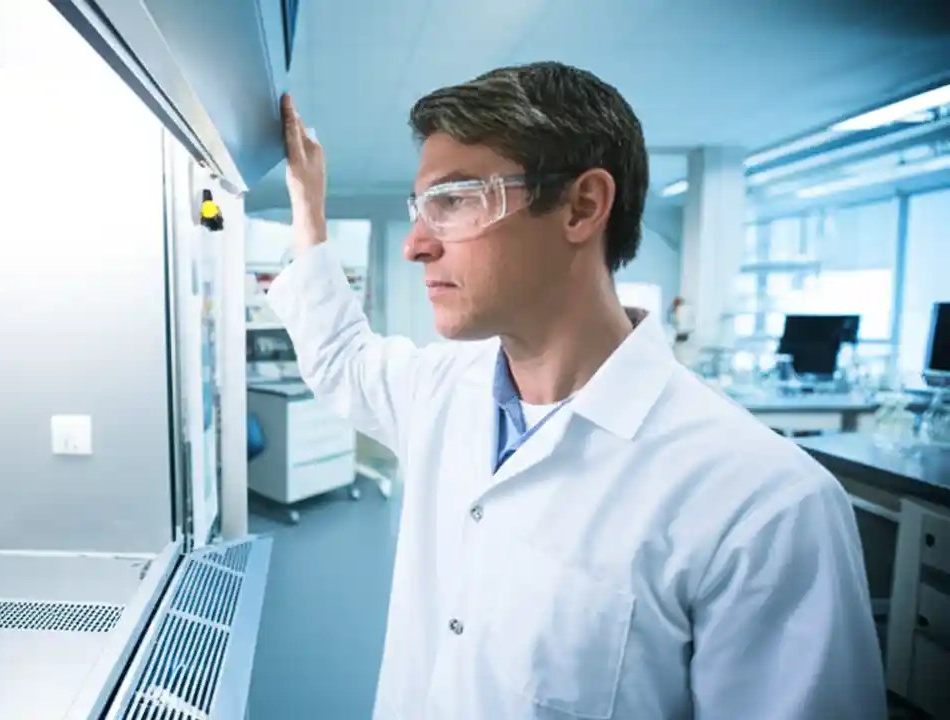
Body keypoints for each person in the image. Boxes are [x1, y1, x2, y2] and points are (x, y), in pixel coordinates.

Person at [267, 63, 885, 719]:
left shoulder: (763, 502)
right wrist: (308, 206)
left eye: (457, 200)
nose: (417, 245)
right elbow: (341, 356)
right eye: (421, 208)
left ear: (582, 206)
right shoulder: (441, 392)